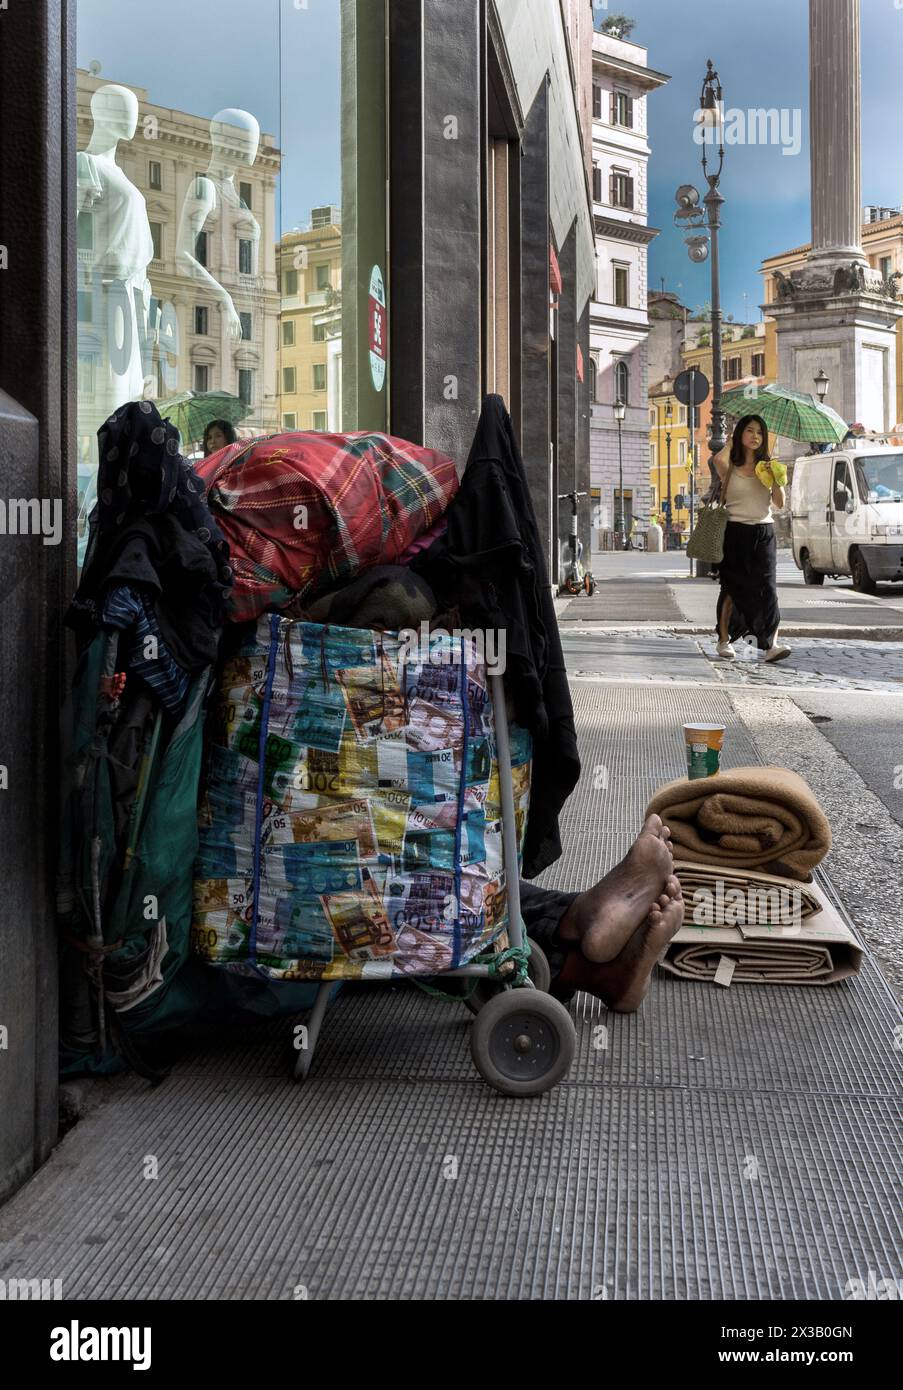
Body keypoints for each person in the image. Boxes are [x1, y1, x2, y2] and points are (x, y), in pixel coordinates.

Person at [711, 414, 791, 663]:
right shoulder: (730, 468)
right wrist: (731, 442)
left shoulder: (768, 468)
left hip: (764, 532)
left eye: (760, 432)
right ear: (740, 436)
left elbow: (779, 504)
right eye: (750, 431)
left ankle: (771, 644)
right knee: (732, 588)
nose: (755, 436)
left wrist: (775, 480)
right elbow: (717, 459)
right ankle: (724, 640)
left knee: (768, 588)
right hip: (735, 532)